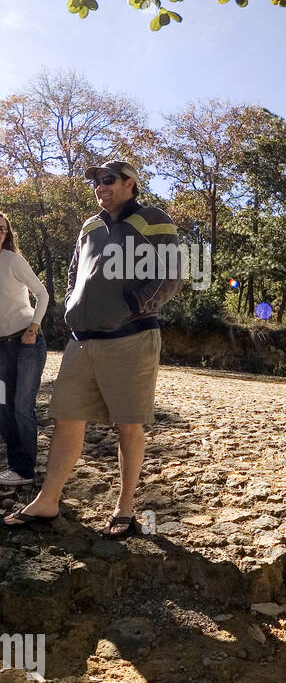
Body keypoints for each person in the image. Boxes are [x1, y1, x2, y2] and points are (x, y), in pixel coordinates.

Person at [4, 159, 186, 537]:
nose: (99, 187)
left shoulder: (155, 219)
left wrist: (132, 307)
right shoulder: (89, 225)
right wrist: (72, 304)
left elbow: (170, 274)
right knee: (66, 418)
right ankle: (47, 500)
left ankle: (125, 509)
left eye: (107, 180)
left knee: (128, 425)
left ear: (130, 183)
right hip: (81, 341)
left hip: (131, 338)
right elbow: (75, 270)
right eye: (96, 182)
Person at [0, 210, 43, 484]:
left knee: (21, 406)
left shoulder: (13, 260)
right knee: (2, 405)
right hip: (0, 347)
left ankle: (25, 470)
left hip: (26, 343)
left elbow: (43, 293)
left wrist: (33, 328)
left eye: (2, 229)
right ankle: (15, 466)